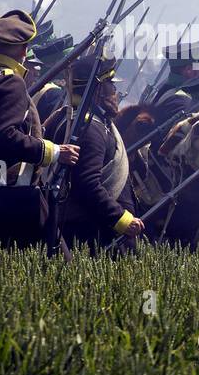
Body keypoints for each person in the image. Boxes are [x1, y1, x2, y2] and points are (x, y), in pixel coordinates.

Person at [0, 9, 79, 243]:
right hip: (2, 194)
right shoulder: (9, 81)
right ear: (23, 50)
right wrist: (54, 151)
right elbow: (1, 136)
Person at [57, 52, 145, 250]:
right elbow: (87, 183)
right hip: (98, 233)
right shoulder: (90, 129)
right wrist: (120, 219)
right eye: (111, 85)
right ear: (98, 90)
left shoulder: (79, 120)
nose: (116, 92)